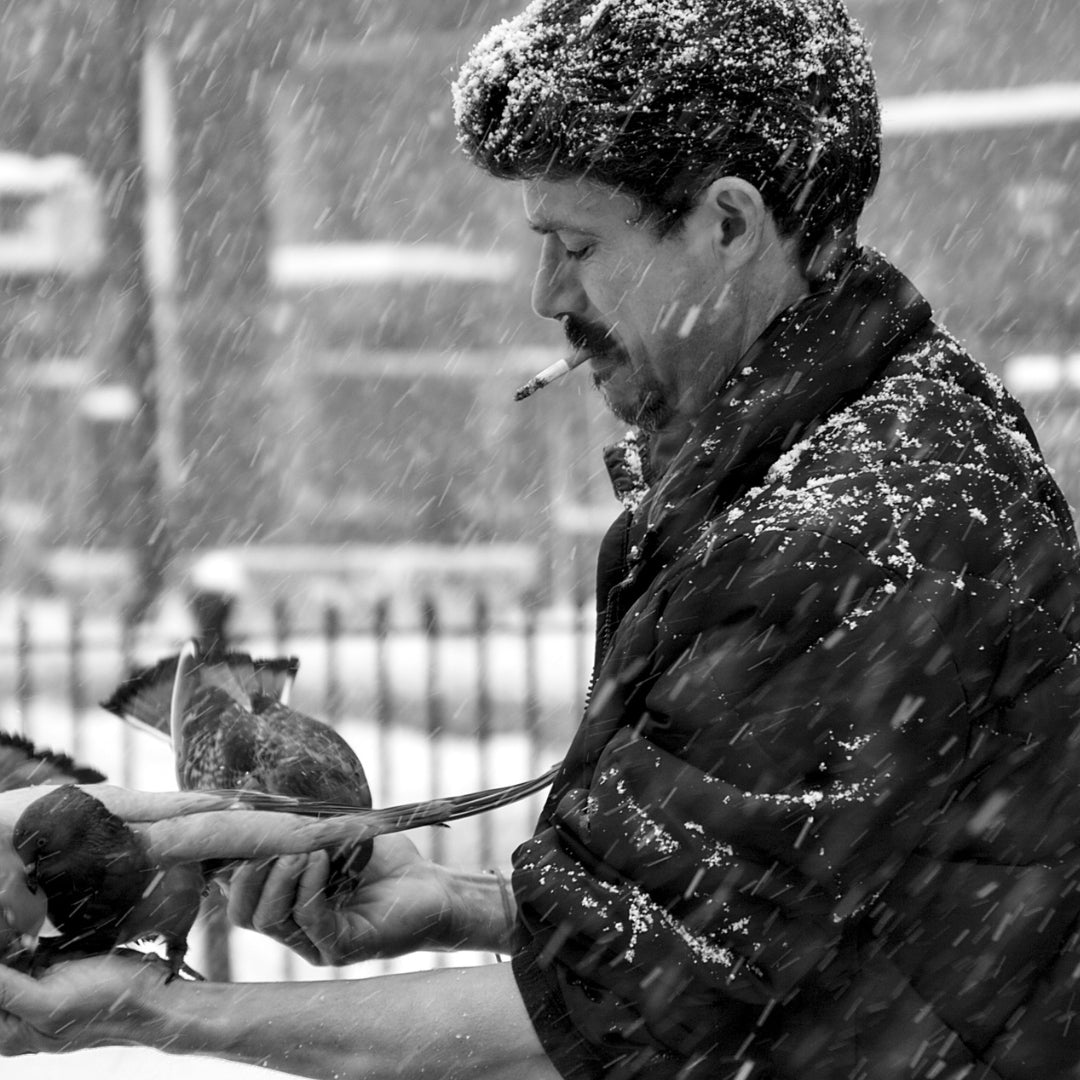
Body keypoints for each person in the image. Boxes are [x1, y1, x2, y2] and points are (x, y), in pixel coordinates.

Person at [3, 0, 1080, 1077]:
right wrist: (456, 905)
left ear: (730, 224)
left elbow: (625, 1037)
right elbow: (757, 934)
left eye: (577, 244)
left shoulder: (852, 526)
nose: (545, 294)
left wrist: (158, 1018)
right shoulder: (856, 439)